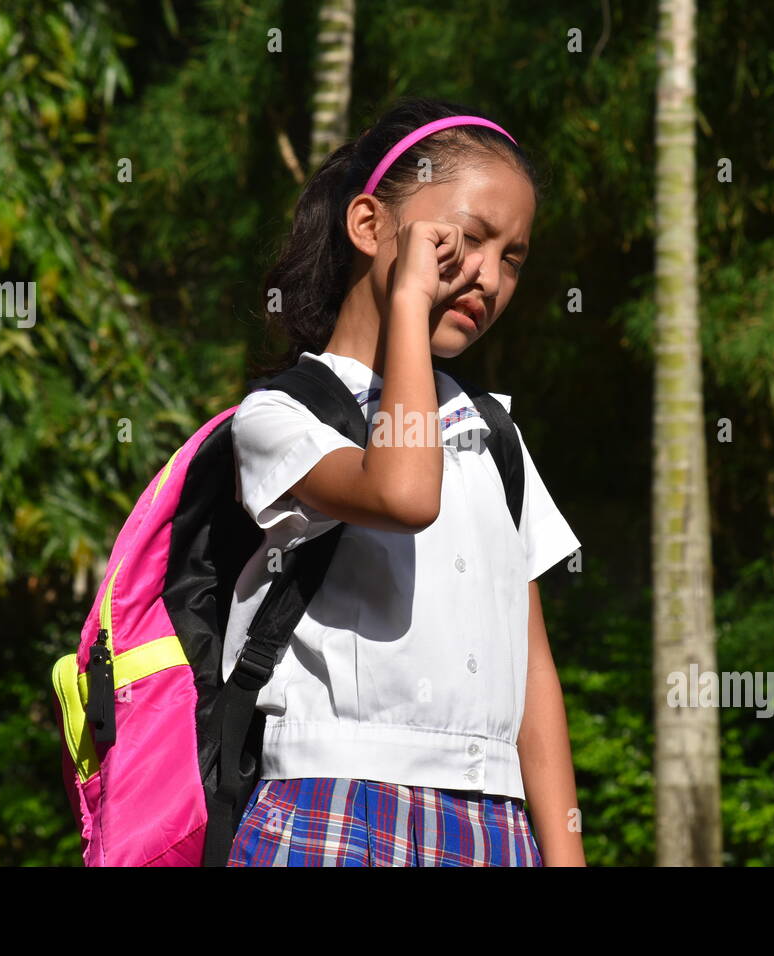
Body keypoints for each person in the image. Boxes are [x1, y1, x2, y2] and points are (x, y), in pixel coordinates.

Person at [224, 97, 584, 866]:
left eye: (513, 257)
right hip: (335, 806)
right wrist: (412, 302)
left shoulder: (495, 435)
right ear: (368, 227)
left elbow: (533, 669)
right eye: (465, 238)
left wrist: (565, 854)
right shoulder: (280, 416)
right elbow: (404, 494)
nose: (488, 275)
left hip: (498, 825)